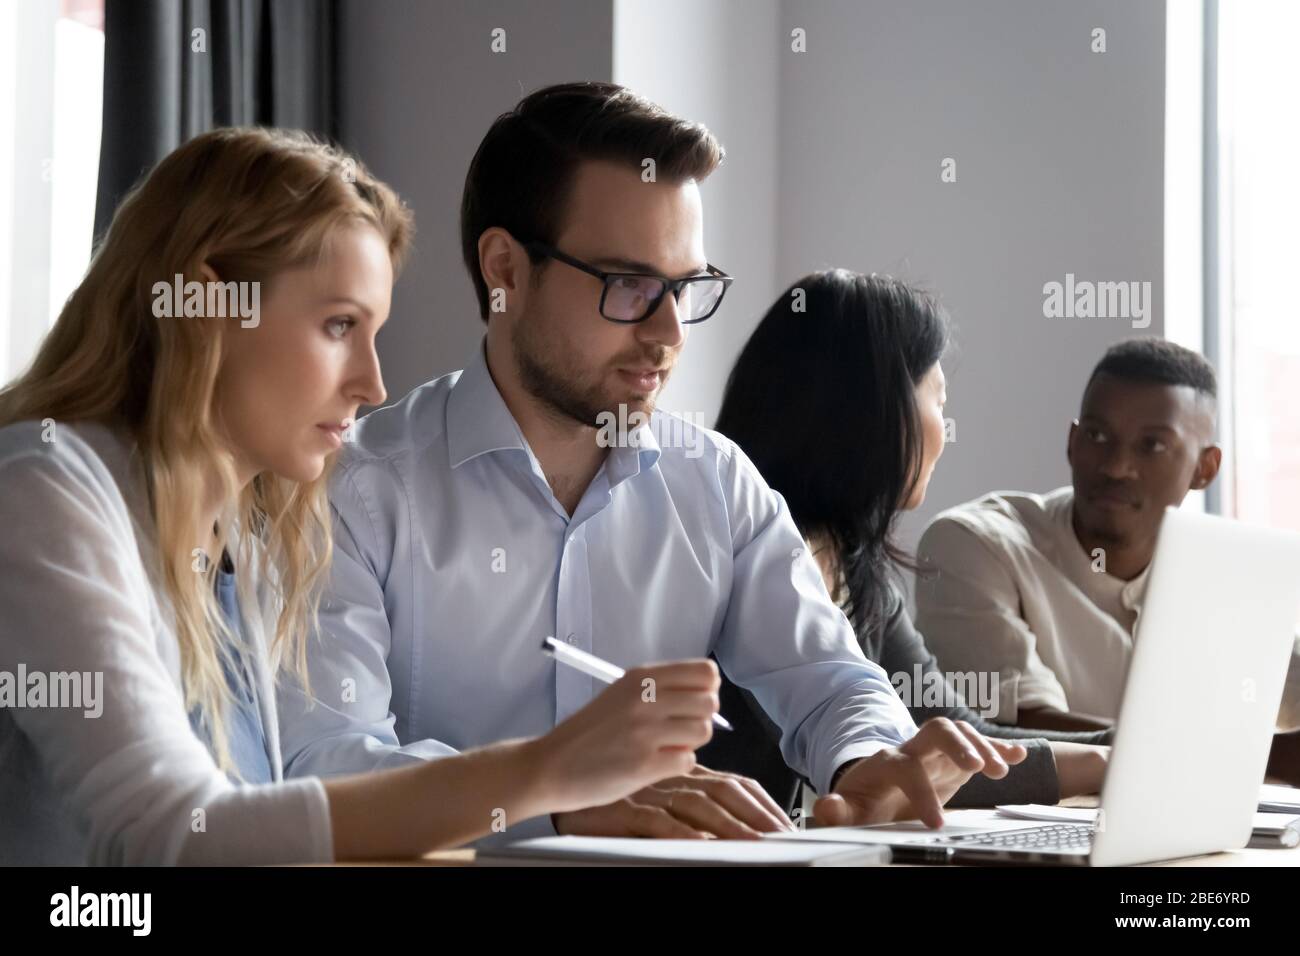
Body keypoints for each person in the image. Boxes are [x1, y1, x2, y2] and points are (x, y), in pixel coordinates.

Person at [278, 81, 1028, 840]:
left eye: (686, 287)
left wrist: (865, 757)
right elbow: (327, 764)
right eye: (629, 285)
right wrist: (554, 807)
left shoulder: (714, 480)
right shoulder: (356, 490)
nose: (669, 331)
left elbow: (830, 677)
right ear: (505, 270)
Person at [0, 127, 722, 865]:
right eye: (339, 325)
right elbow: (173, 833)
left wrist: (555, 799)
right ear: (207, 308)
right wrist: (548, 772)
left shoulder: (242, 547)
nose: (373, 385)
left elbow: (274, 834)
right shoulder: (44, 489)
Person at [698, 269, 1110, 812]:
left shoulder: (856, 572)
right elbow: (925, 765)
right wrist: (1116, 762)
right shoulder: (728, 561)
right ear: (869, 409)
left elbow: (952, 741)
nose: (945, 427)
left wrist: (1119, 754)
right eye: (938, 399)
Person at [914, 337, 1300, 784]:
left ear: (1205, 469)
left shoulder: (1227, 574)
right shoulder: (975, 544)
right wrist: (1253, 758)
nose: (1116, 467)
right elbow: (1015, 738)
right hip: (1026, 837)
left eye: (1152, 446)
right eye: (1098, 436)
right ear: (1072, 443)